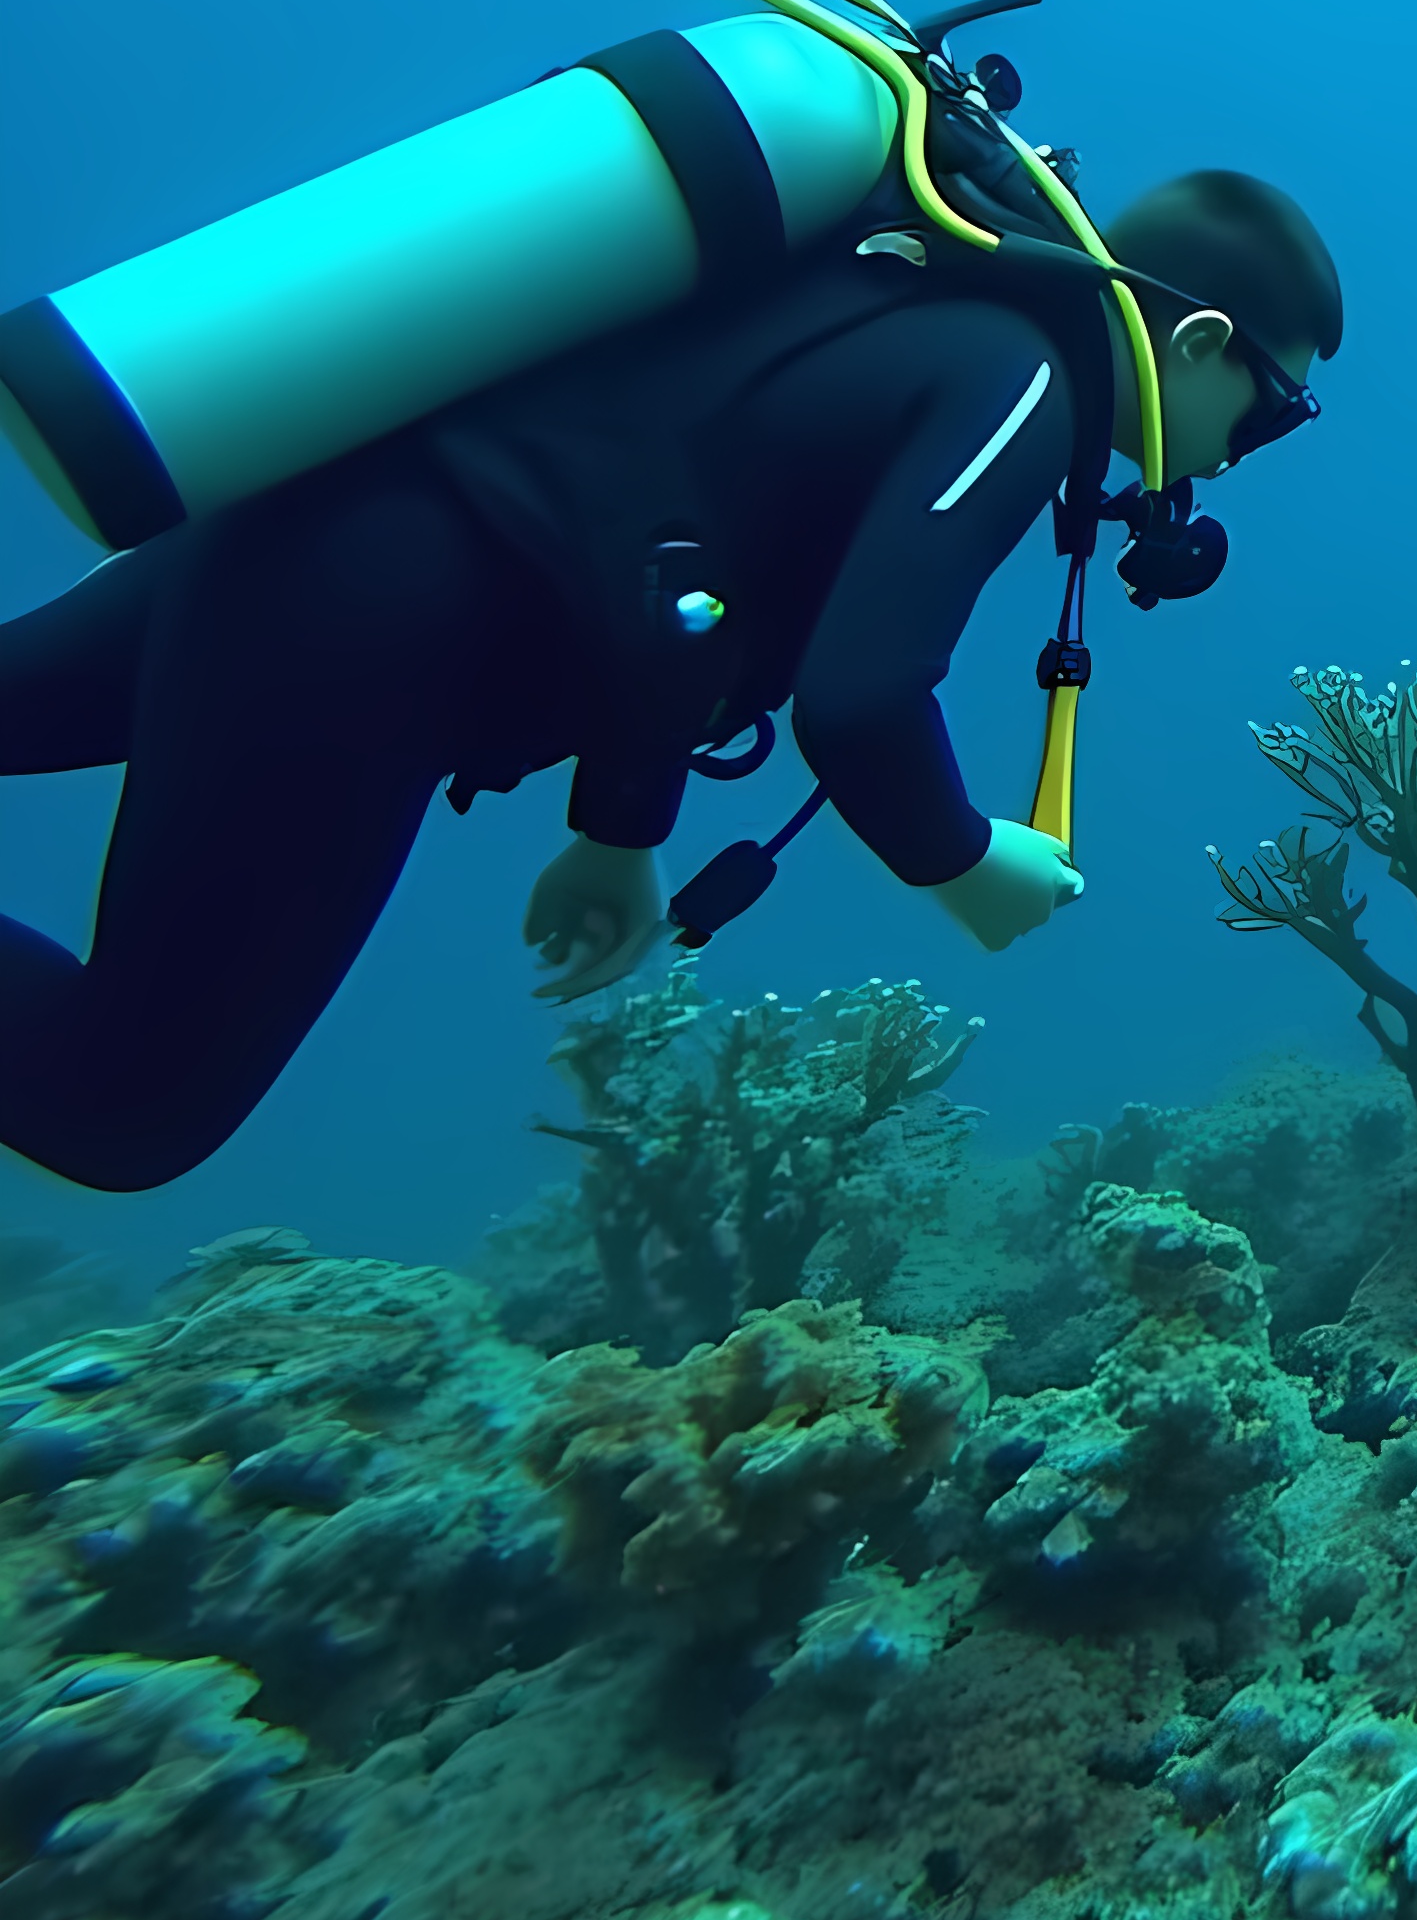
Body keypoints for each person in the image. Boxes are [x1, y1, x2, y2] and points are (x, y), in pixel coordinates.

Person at [0, 163, 1341, 1192]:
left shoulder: (900, 287)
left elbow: (658, 518)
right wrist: (962, 863)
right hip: (364, 639)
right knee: (122, 1102)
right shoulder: (1018, 383)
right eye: (1275, 414)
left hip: (324, 521)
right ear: (1202, 340)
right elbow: (859, 698)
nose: (1235, 458)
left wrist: (618, 826)